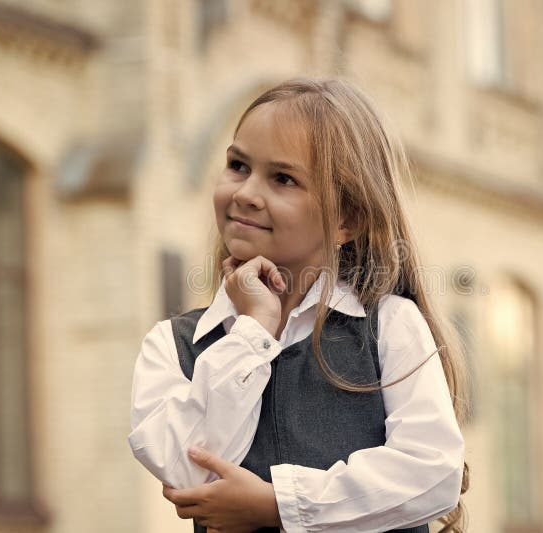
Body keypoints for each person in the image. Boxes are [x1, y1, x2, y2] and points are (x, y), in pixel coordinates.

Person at [128, 77, 471, 533]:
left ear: (347, 218)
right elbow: (187, 470)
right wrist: (253, 331)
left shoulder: (390, 327)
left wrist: (280, 505)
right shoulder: (173, 345)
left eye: (283, 178)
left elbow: (432, 474)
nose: (246, 192)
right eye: (237, 165)